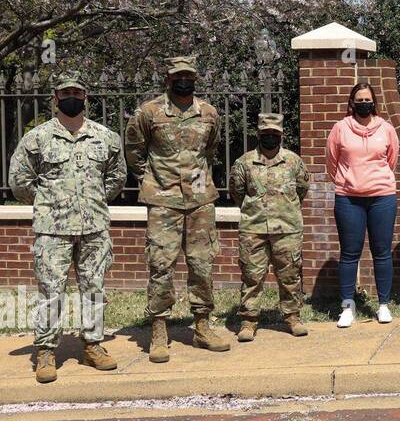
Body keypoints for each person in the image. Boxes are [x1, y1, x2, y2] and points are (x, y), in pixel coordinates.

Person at [9, 72, 126, 383]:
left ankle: (92, 345)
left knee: (94, 288)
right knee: (51, 290)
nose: (71, 97)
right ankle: (46, 350)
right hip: (53, 230)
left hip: (94, 228)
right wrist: (48, 201)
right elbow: (19, 181)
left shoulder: (106, 137)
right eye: (65, 93)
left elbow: (116, 178)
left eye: (77, 91)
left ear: (85, 97)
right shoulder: (37, 138)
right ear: (55, 98)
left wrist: (93, 199)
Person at [125, 56, 229, 361]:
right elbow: (134, 150)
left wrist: (197, 181)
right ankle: (159, 330)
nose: (183, 80)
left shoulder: (209, 113)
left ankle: (202, 326)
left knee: (202, 264)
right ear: (168, 79)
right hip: (163, 200)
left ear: (195, 79)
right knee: (161, 265)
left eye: (188, 76)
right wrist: (153, 180)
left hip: (199, 199)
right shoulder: (149, 112)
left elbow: (210, 150)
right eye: (177, 76)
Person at [229, 113, 310, 340]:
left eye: (275, 134)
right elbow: (237, 192)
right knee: (251, 276)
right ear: (259, 134)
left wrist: (285, 210)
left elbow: (302, 188)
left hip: (287, 229)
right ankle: (248, 321)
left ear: (281, 135)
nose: (270, 138)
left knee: (290, 276)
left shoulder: (294, 162)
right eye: (266, 134)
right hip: (254, 229)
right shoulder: (244, 163)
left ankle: (293, 317)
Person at [327, 82, 399, 328]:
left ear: (374, 102)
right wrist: (348, 181)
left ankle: (383, 305)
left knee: (382, 252)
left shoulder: (387, 129)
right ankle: (348, 306)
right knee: (349, 253)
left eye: (368, 99)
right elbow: (332, 162)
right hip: (348, 197)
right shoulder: (340, 128)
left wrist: (375, 180)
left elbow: (392, 160)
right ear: (352, 102)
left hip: (382, 197)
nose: (364, 103)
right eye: (359, 100)